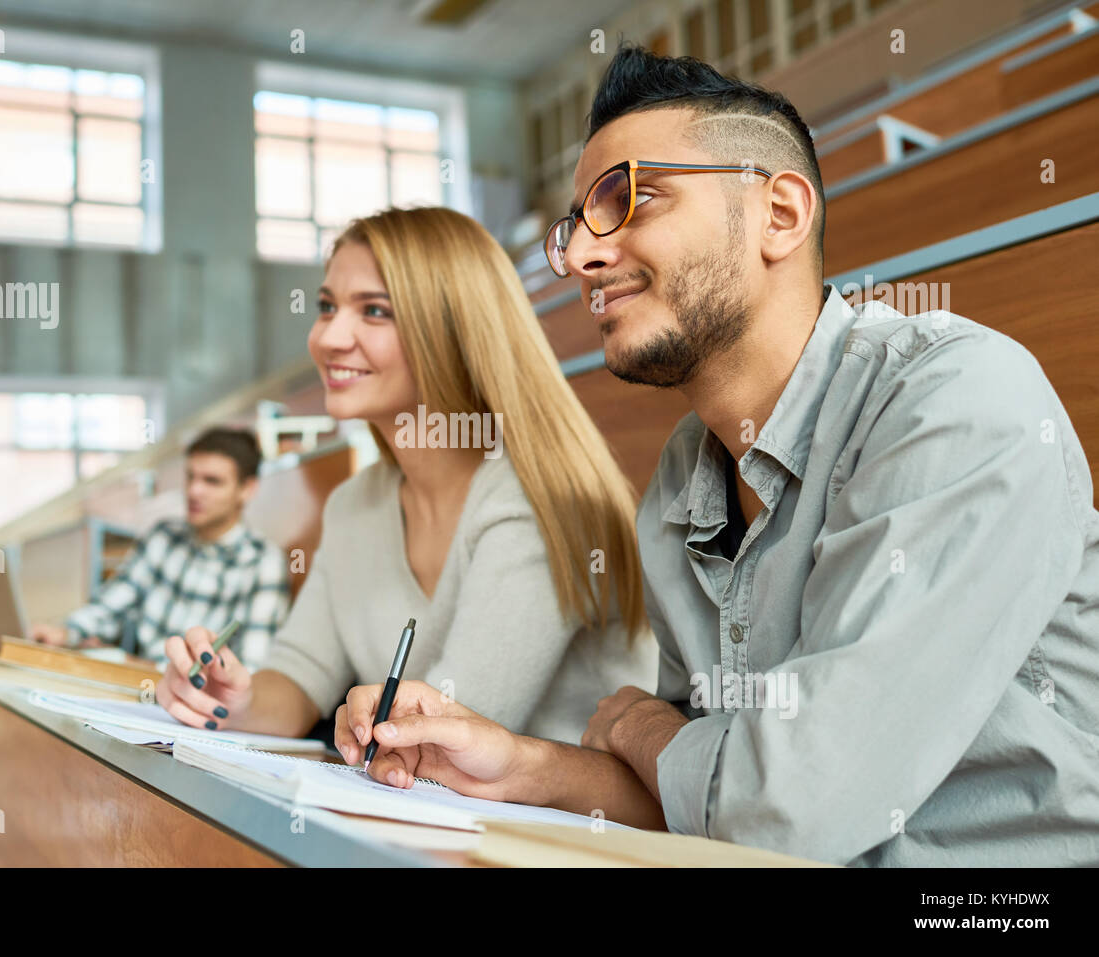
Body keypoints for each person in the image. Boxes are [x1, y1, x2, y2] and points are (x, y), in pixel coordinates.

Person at [336, 47, 1099, 865]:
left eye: (634, 198)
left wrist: (637, 722)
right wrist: (518, 763)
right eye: (578, 228)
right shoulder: (683, 471)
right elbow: (694, 794)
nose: (586, 259)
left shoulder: (956, 396)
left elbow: (790, 805)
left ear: (780, 214)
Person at [155, 206, 657, 745]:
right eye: (327, 307)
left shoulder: (539, 499)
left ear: (453, 329)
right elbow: (298, 680)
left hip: (556, 826)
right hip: (435, 814)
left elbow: (451, 732)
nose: (328, 338)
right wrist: (232, 697)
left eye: (374, 311)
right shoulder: (354, 505)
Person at [29, 428, 290, 668]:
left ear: (248, 489)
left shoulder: (262, 563)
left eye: (212, 481)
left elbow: (251, 670)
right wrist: (65, 632)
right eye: (191, 477)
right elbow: (111, 605)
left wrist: (143, 668)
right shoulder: (163, 536)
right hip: (136, 688)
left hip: (194, 703)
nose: (194, 491)